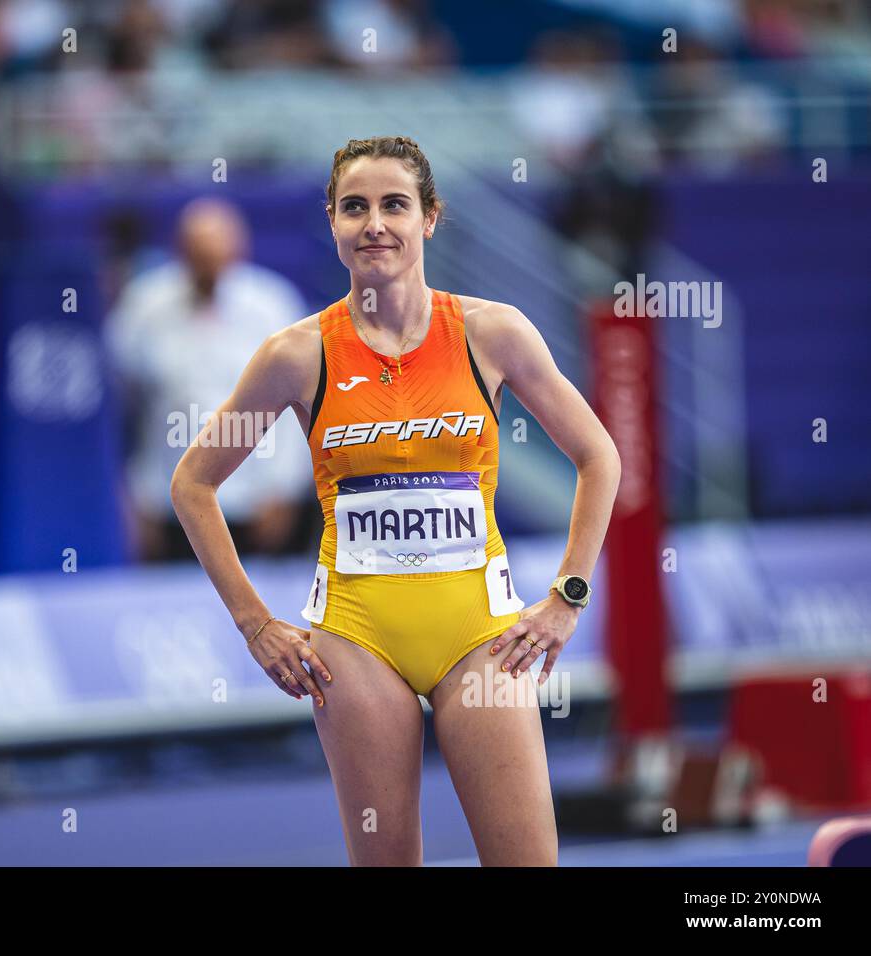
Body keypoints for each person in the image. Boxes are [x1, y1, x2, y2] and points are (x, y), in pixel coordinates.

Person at [170, 136, 620, 866]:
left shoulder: (492, 333)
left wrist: (568, 594)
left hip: (481, 634)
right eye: (355, 207)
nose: (374, 222)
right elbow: (192, 484)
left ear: (430, 218)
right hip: (356, 640)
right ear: (332, 221)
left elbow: (599, 455)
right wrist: (256, 627)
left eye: (394, 205)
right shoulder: (296, 355)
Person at [107, 196, 310, 561]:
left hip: (253, 499)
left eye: (216, 257)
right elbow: (120, 403)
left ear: (238, 251)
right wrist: (132, 495)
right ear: (180, 251)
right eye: (199, 256)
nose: (209, 268)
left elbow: (299, 403)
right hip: (167, 499)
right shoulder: (144, 305)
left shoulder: (271, 305)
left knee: (257, 609)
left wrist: (285, 489)